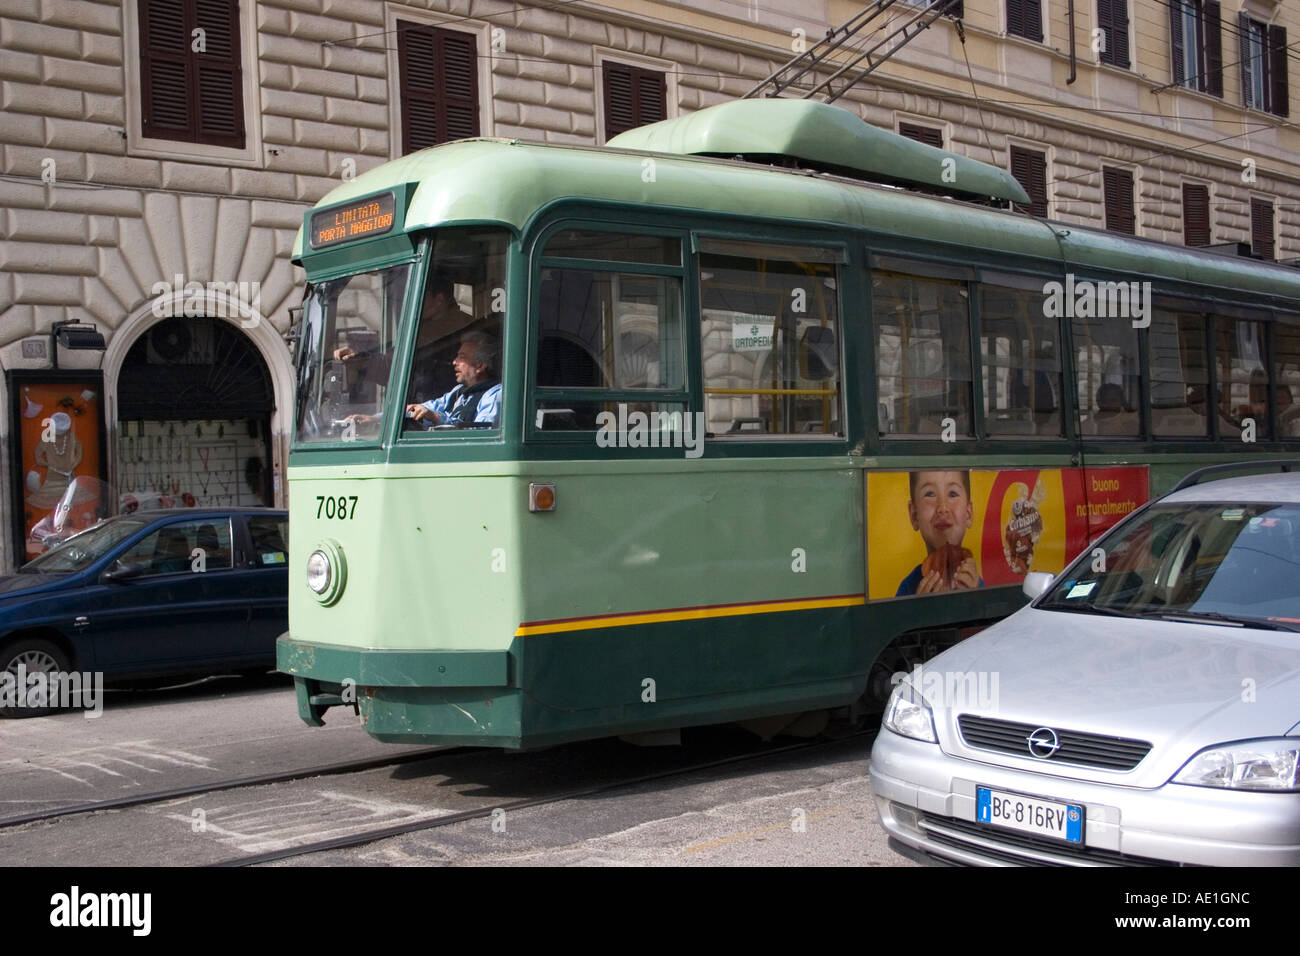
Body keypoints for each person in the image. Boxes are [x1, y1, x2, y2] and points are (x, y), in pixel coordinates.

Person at [896, 469, 980, 596]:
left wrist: (975, 599)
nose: (943, 508)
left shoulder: (977, 585)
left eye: (952, 494)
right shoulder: (908, 589)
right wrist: (919, 609)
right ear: (914, 515)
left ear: (968, 514)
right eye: (930, 494)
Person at [406, 331, 501, 427]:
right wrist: (410, 409)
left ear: (480, 365)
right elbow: (434, 406)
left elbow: (479, 434)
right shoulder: (458, 391)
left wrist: (437, 418)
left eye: (462, 357)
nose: (454, 362)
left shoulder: (495, 394)